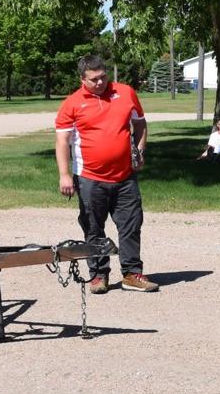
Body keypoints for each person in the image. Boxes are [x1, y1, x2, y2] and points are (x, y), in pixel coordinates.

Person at [55, 55, 159, 294]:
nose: (101, 83)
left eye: (103, 77)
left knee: (131, 224)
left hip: (125, 177)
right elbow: (62, 141)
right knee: (93, 227)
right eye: (94, 79)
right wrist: (64, 175)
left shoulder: (125, 93)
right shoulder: (71, 103)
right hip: (90, 177)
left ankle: (132, 274)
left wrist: (140, 150)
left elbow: (141, 124)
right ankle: (99, 275)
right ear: (82, 79)